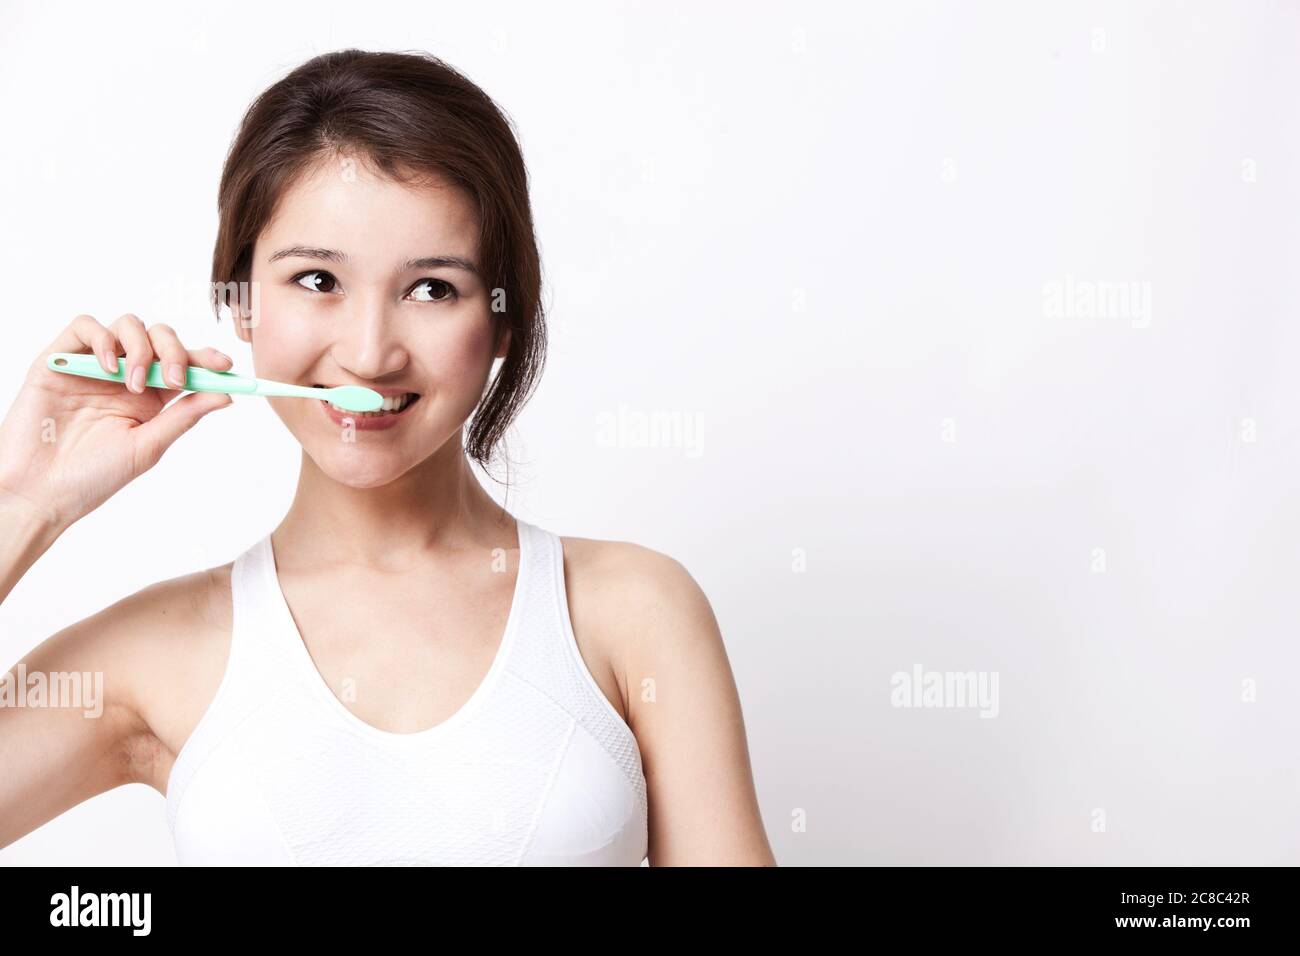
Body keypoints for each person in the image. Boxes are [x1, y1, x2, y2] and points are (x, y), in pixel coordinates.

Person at [0, 49, 775, 866]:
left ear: (505, 320)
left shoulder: (634, 613)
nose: (369, 355)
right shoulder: (156, 651)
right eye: (316, 280)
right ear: (241, 300)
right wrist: (23, 501)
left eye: (432, 289)